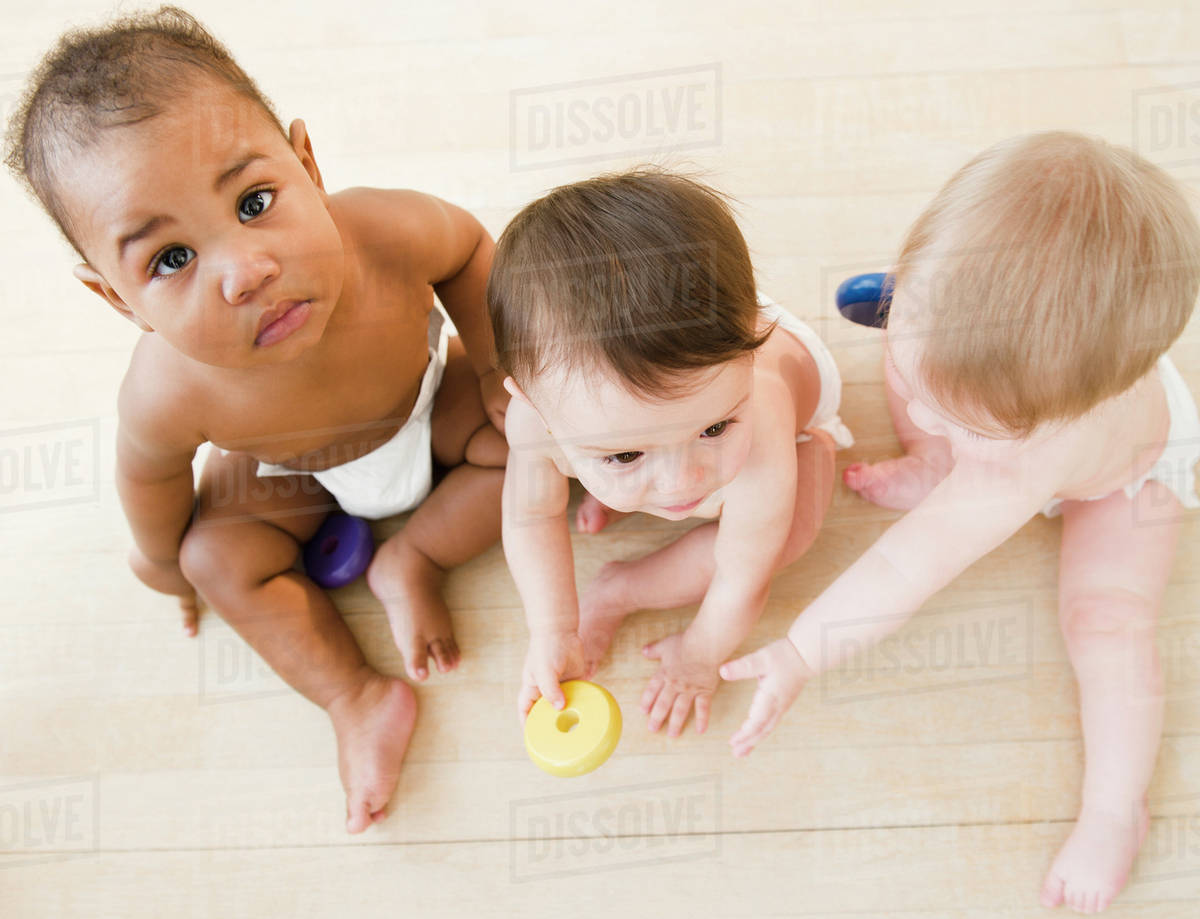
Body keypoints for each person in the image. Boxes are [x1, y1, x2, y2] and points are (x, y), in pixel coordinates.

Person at [4, 6, 508, 833]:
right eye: (171, 260)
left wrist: (492, 365)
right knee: (216, 555)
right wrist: (166, 559)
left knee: (528, 440)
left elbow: (469, 252)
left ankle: (413, 559)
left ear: (306, 164)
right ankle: (354, 696)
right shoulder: (168, 389)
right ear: (117, 299)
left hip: (424, 403)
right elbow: (150, 472)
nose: (245, 271)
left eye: (254, 200)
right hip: (292, 468)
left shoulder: (385, 230)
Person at [720, 131, 1200, 913]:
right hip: (997, 388)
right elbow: (945, 375)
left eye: (964, 423)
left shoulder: (1027, 455)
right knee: (921, 372)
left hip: (1123, 476)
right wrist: (933, 387)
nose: (931, 410)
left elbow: (903, 568)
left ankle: (1118, 809)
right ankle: (936, 440)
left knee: (1109, 622)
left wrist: (802, 649)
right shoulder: (949, 328)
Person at [488, 169, 852, 737]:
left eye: (713, 430)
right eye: (626, 455)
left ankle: (622, 586)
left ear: (746, 362)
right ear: (532, 404)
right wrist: (553, 629)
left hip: (791, 415)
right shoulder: (537, 420)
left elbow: (741, 577)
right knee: (619, 450)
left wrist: (701, 656)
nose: (685, 483)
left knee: (789, 533)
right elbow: (530, 514)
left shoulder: (761, 413)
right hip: (676, 390)